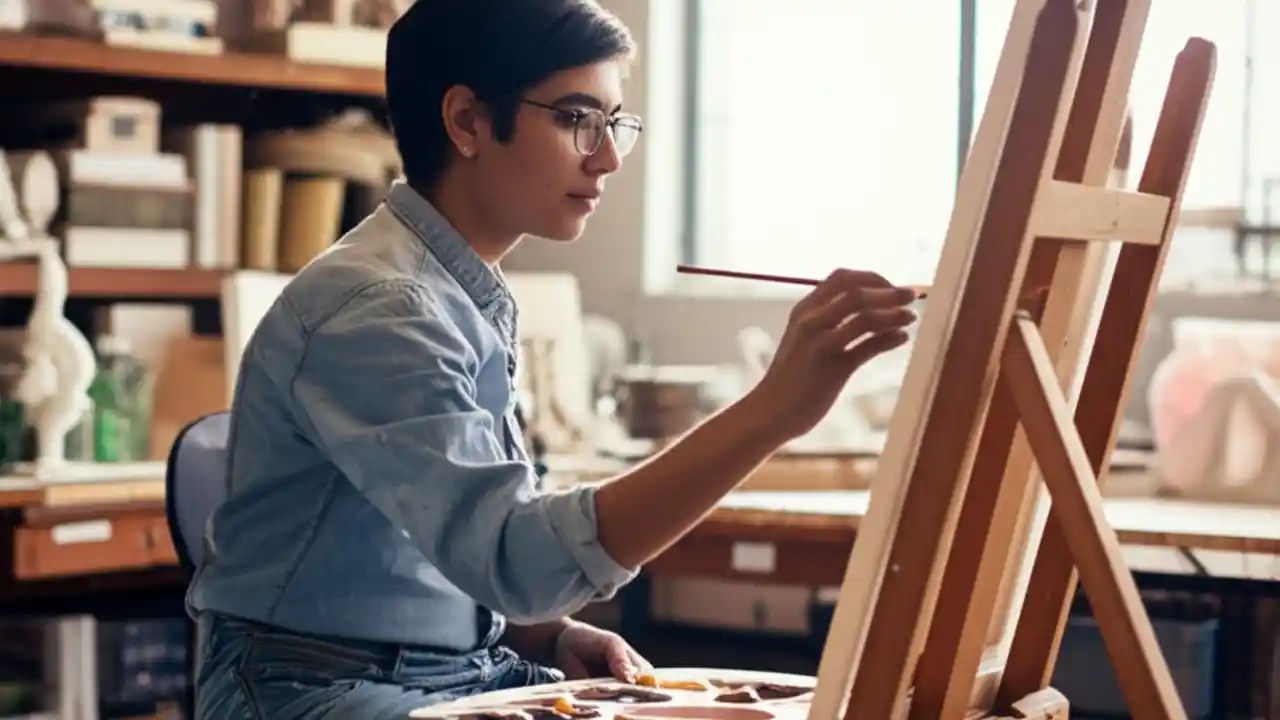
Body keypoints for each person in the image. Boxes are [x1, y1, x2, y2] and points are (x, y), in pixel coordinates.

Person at [188, 0, 921, 717]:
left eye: (614, 123)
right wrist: (773, 411)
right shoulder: (385, 307)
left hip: (451, 669)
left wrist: (546, 635)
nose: (606, 158)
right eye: (576, 120)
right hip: (307, 689)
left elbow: (456, 553)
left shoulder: (459, 286)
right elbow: (516, 562)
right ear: (468, 122)